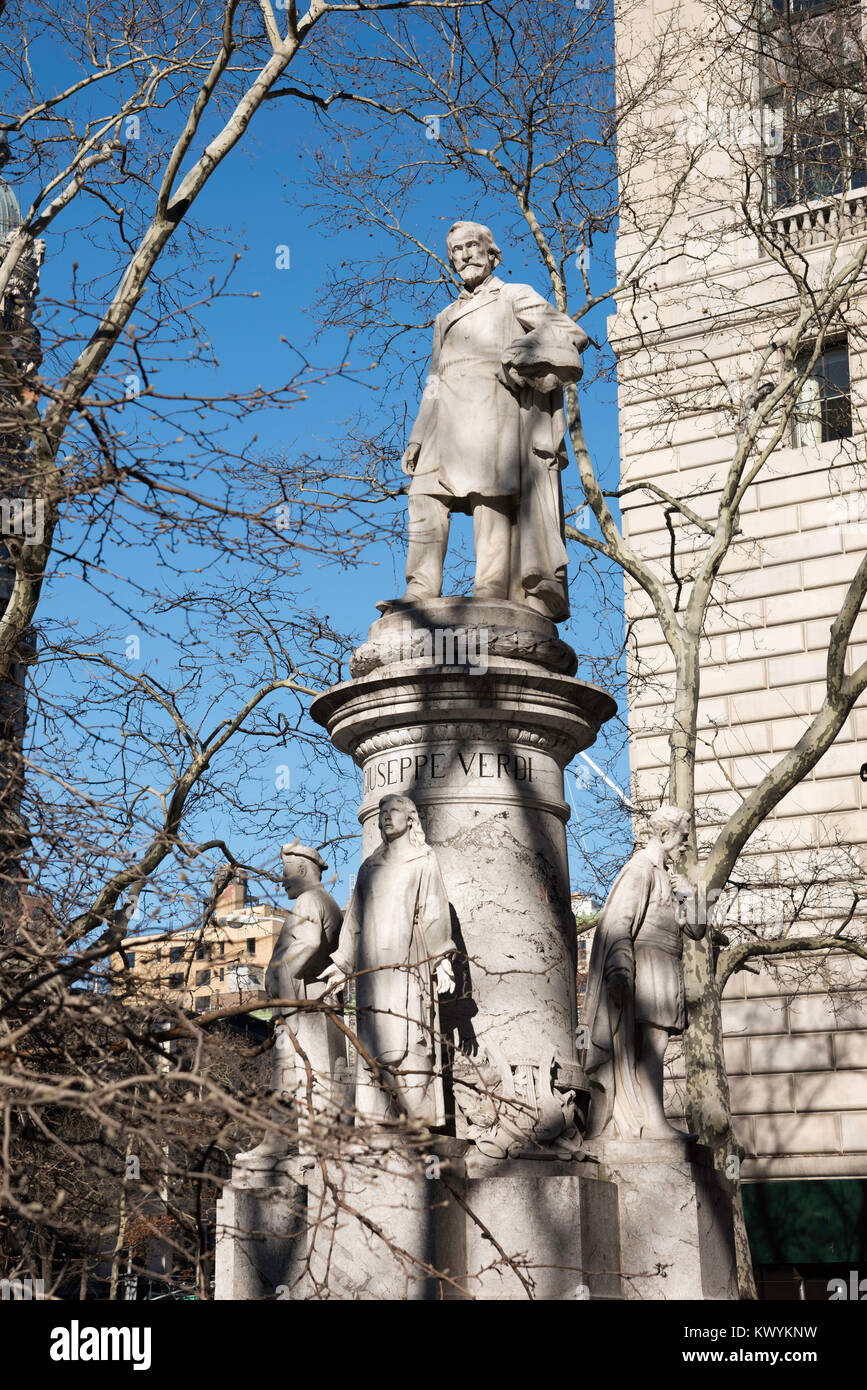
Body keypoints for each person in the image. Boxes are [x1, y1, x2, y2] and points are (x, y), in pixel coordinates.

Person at [381, 219, 589, 622]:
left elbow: (569, 332)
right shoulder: (445, 316)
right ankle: (419, 589)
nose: (464, 256)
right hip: (444, 421)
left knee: (487, 497)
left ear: (493, 254)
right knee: (424, 497)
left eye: (472, 246)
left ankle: (490, 589)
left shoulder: (514, 295)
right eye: (456, 250)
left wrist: (521, 355)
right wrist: (417, 437)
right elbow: (435, 380)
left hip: (492, 410)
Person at [319, 795, 455, 1129]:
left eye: (392, 812)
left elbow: (434, 910)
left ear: (411, 819)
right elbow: (354, 921)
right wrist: (341, 964)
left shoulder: (423, 860)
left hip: (409, 965)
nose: (385, 819)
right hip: (372, 969)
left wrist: (441, 960)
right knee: (374, 1036)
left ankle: (415, 1119)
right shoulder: (369, 867)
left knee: (412, 1037)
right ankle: (377, 1117)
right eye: (381, 814)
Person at [582, 805, 705, 1140]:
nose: (685, 846)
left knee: (656, 1045)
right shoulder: (640, 869)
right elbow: (618, 922)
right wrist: (620, 969)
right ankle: (652, 1123)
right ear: (664, 836)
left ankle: (653, 1120)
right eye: (682, 838)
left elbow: (697, 930)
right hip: (646, 967)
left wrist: (693, 896)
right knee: (652, 1045)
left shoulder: (669, 877)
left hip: (665, 967)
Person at [236, 843, 343, 1163]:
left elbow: (309, 942)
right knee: (289, 1076)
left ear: (301, 870)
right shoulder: (327, 901)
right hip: (308, 1006)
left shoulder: (311, 899)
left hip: (304, 1006)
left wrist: (282, 976)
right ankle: (279, 1141)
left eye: (284, 874)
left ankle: (304, 1145)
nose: (280, 881)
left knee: (303, 1074)